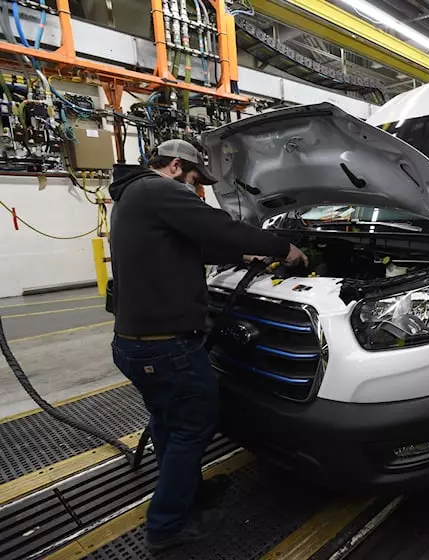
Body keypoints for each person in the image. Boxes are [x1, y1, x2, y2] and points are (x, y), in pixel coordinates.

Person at [108, 139, 307, 551]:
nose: (197, 190)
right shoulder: (158, 190)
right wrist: (280, 247)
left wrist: (248, 253)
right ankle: (166, 526)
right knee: (193, 427)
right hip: (166, 349)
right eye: (197, 181)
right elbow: (218, 227)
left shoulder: (134, 197)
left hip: (138, 345)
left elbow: (191, 243)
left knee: (170, 425)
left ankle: (187, 494)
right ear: (177, 167)